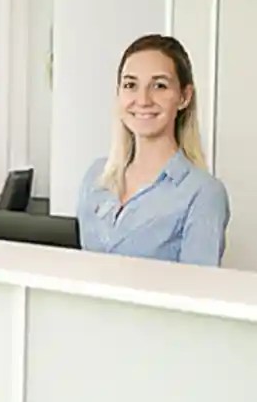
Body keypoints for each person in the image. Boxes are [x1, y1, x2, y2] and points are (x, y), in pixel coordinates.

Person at [76, 34, 230, 266]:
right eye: (130, 85)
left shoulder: (203, 193)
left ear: (184, 97)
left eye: (159, 85)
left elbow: (196, 293)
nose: (143, 99)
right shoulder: (96, 177)